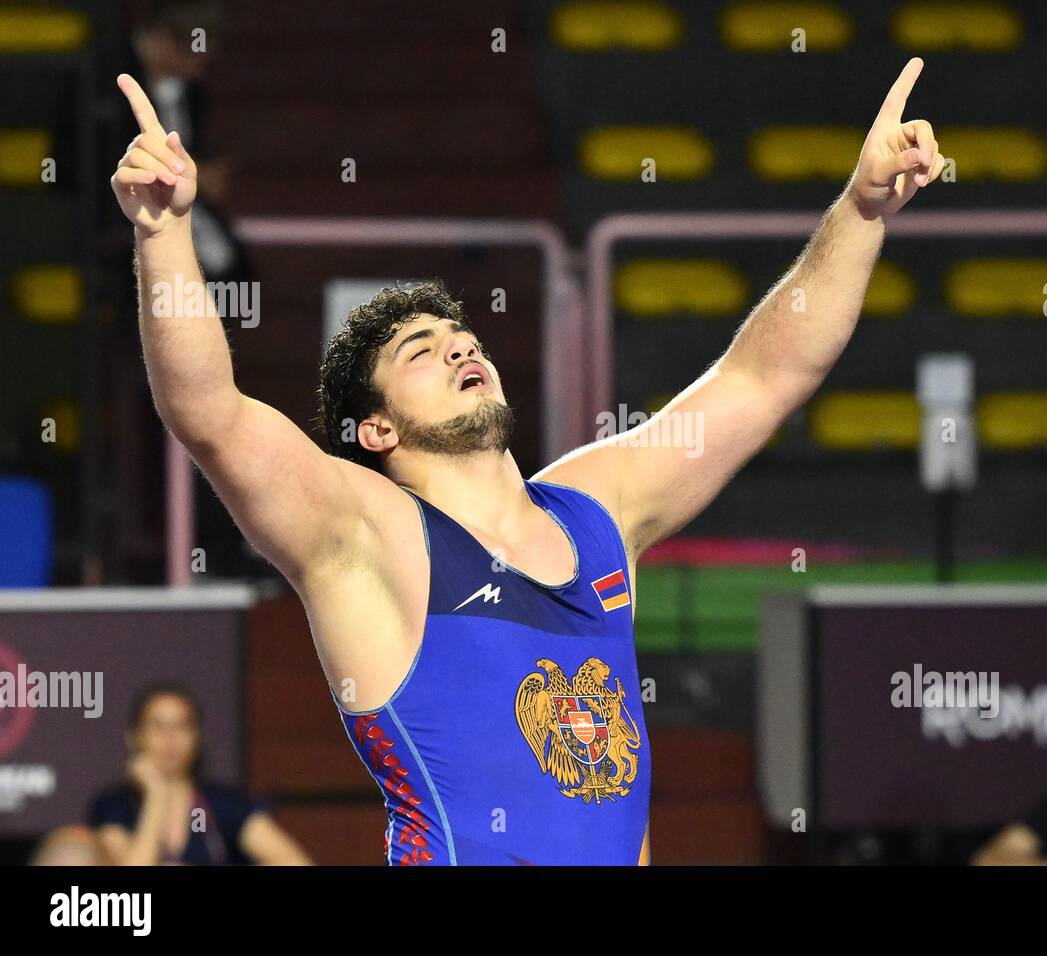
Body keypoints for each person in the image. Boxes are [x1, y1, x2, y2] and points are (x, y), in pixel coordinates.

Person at [108, 60, 945, 864]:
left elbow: (763, 378)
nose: (460, 347)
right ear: (377, 431)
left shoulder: (597, 506)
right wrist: (164, 232)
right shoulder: (366, 536)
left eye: (463, 336)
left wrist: (861, 210)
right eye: (420, 351)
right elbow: (209, 413)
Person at [89, 682, 311, 865]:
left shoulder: (223, 802)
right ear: (134, 736)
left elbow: (295, 861)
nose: (171, 738)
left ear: (197, 737)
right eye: (158, 726)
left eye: (182, 726)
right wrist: (156, 794)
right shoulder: (115, 806)